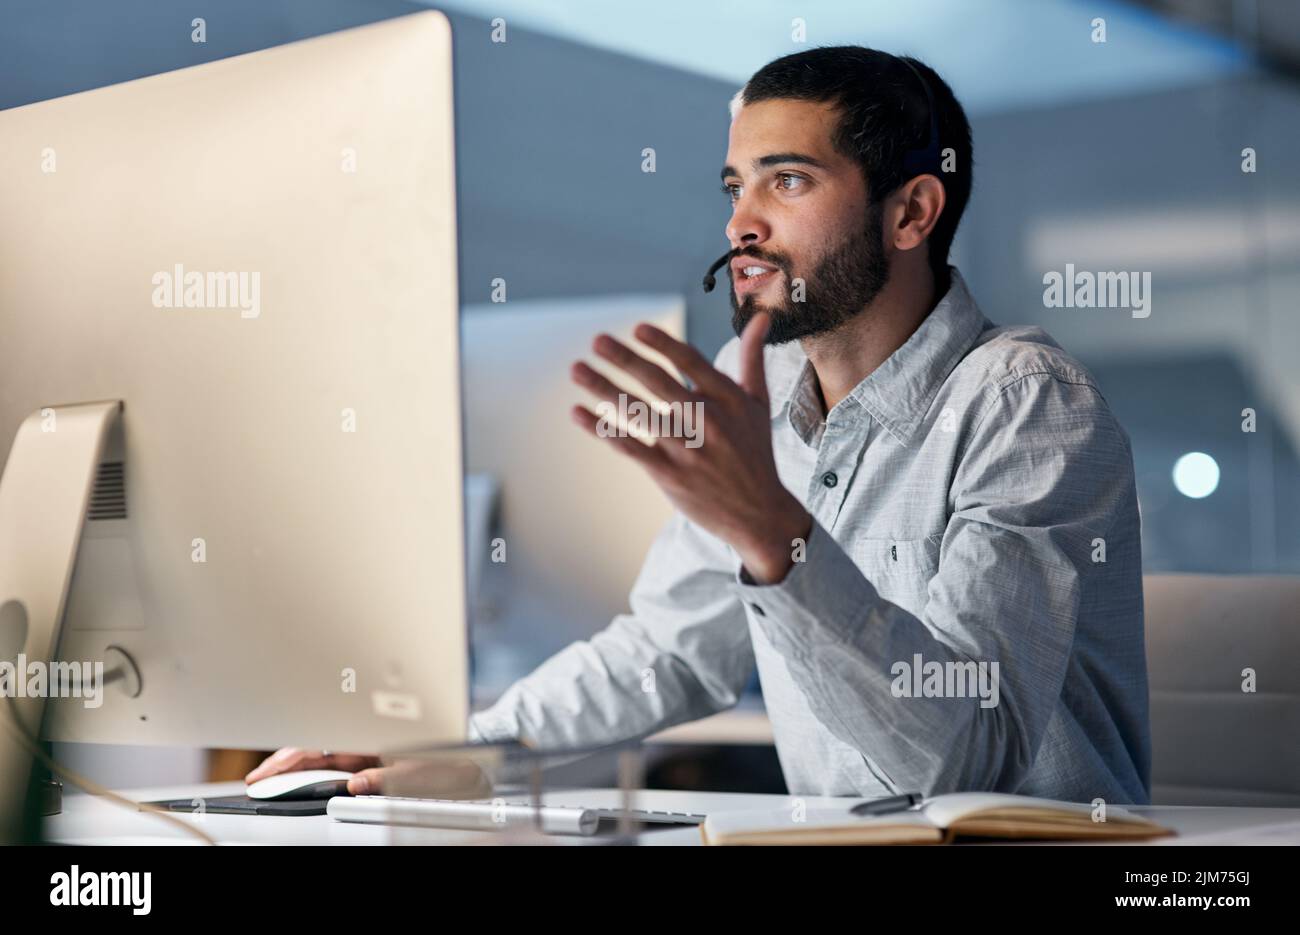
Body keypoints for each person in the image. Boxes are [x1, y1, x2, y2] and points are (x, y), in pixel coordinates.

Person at [249, 46, 1151, 804]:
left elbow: (965, 761)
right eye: (734, 186)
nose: (740, 224)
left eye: (788, 181)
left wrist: (773, 534)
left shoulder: (1025, 402)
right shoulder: (763, 386)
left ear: (912, 210)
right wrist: (460, 750)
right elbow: (671, 650)